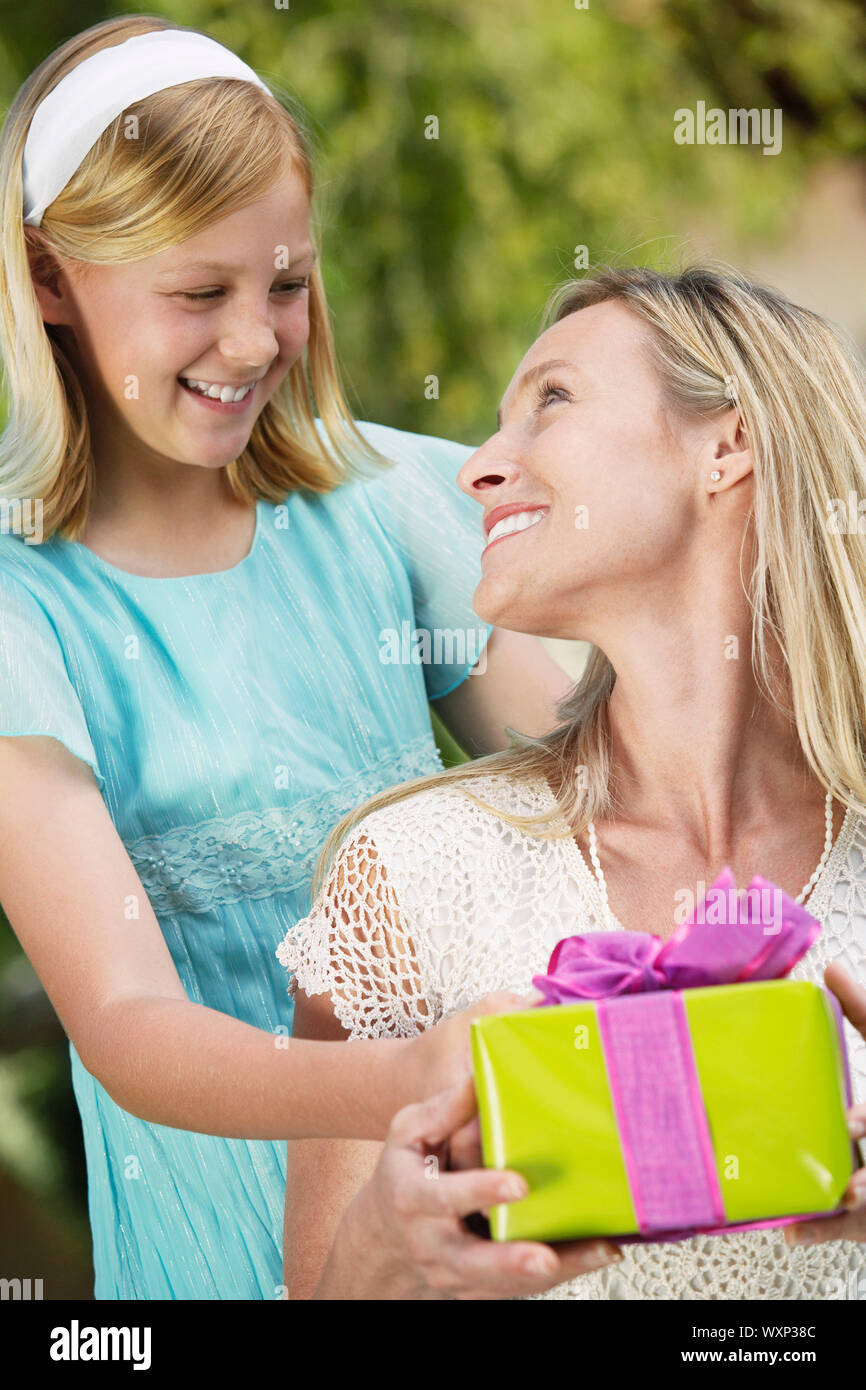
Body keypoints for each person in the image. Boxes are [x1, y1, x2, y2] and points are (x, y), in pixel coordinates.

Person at [0, 15, 579, 1300]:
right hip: (225, 1235)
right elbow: (128, 1026)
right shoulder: (21, 609)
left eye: (285, 283)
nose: (257, 341)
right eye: (198, 294)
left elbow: (580, 796)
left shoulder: (382, 506)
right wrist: (412, 1073)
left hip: (482, 1195)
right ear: (49, 281)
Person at [280, 265, 866, 1300]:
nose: (477, 468)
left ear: (725, 445)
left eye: (549, 399)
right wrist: (381, 1250)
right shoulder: (407, 876)